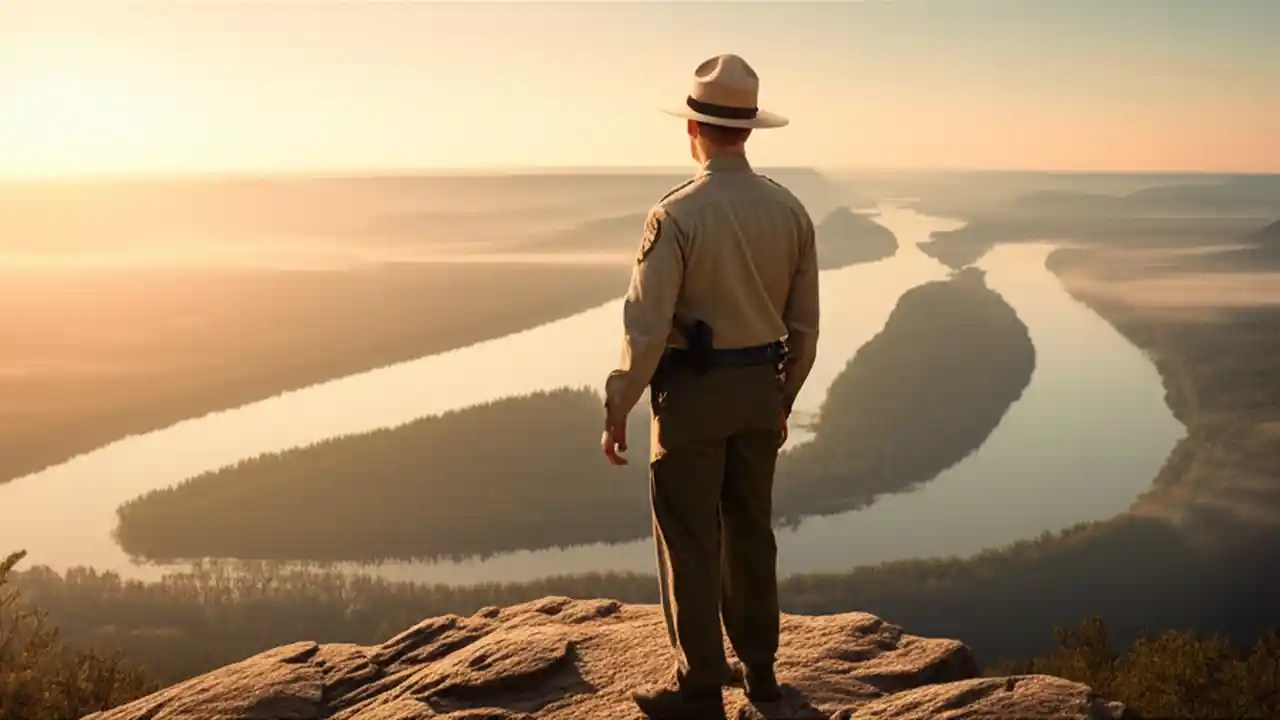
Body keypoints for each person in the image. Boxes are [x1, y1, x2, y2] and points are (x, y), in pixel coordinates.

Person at [601, 53, 820, 719]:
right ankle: (761, 673)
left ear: (692, 129)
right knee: (752, 532)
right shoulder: (790, 210)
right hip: (760, 390)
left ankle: (698, 691)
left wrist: (618, 408)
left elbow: (645, 330)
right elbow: (804, 328)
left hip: (692, 400)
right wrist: (782, 400)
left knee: (692, 541)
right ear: (748, 130)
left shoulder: (676, 216)